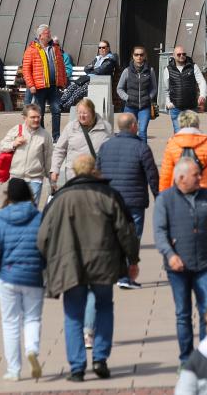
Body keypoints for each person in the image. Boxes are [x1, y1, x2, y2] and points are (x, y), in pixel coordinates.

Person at [37, 154, 140, 382]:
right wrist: (132, 260)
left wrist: (47, 262)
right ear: (94, 169)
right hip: (104, 262)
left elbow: (43, 236)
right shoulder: (109, 195)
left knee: (73, 314)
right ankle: (100, 358)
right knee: (104, 307)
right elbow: (126, 231)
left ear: (74, 172)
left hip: (70, 264)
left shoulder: (60, 198)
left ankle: (77, 367)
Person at [155, 157, 207, 363]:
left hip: (204, 264)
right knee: (183, 314)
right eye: (196, 175)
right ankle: (186, 359)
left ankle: (204, 356)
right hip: (178, 268)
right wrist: (170, 255)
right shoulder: (165, 199)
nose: (200, 178)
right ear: (181, 178)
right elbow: (160, 232)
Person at [0, 178, 46, 382]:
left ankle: (13, 369)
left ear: (8, 196)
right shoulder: (38, 217)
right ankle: (32, 349)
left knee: (10, 322)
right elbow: (47, 246)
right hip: (33, 276)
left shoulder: (0, 218)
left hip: (8, 276)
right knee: (32, 318)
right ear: (29, 194)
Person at [96, 113, 160, 292]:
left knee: (115, 236)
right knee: (132, 238)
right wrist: (159, 197)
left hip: (110, 201)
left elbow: (97, 172)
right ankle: (125, 275)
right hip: (134, 201)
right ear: (133, 126)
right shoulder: (141, 147)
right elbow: (152, 176)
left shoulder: (106, 146)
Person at [159, 110, 207, 198]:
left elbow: (166, 173)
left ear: (180, 124)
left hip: (178, 190)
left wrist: (163, 195)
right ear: (197, 124)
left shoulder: (172, 143)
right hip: (204, 190)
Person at [0, 105, 54, 204]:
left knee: (31, 209)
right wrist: (13, 143)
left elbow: (48, 160)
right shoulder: (17, 130)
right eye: (32, 117)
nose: (36, 120)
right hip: (16, 178)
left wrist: (52, 181)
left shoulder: (45, 136)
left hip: (35, 179)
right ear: (24, 118)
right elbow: (2, 146)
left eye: (38, 117)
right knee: (15, 209)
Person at [51, 98, 113, 187]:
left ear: (92, 112)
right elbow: (59, 150)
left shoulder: (106, 127)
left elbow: (112, 151)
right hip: (74, 175)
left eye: (84, 113)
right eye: (79, 113)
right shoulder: (71, 127)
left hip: (96, 175)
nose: (81, 116)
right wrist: (55, 170)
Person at [116, 46, 157, 142]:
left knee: (142, 131)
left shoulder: (150, 70)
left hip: (145, 107)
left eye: (141, 55)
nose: (139, 57)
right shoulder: (127, 71)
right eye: (136, 54)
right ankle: (130, 150)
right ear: (133, 56)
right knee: (128, 132)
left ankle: (143, 151)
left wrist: (149, 97)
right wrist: (127, 98)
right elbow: (119, 88)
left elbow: (154, 88)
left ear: (145, 56)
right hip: (130, 106)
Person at [165, 46, 207, 133]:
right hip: (175, 107)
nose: (182, 56)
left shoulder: (193, 66)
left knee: (191, 133)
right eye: (179, 54)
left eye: (184, 54)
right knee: (179, 133)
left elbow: (201, 82)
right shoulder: (168, 69)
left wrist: (202, 95)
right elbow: (166, 89)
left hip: (191, 107)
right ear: (173, 56)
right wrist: (168, 102)